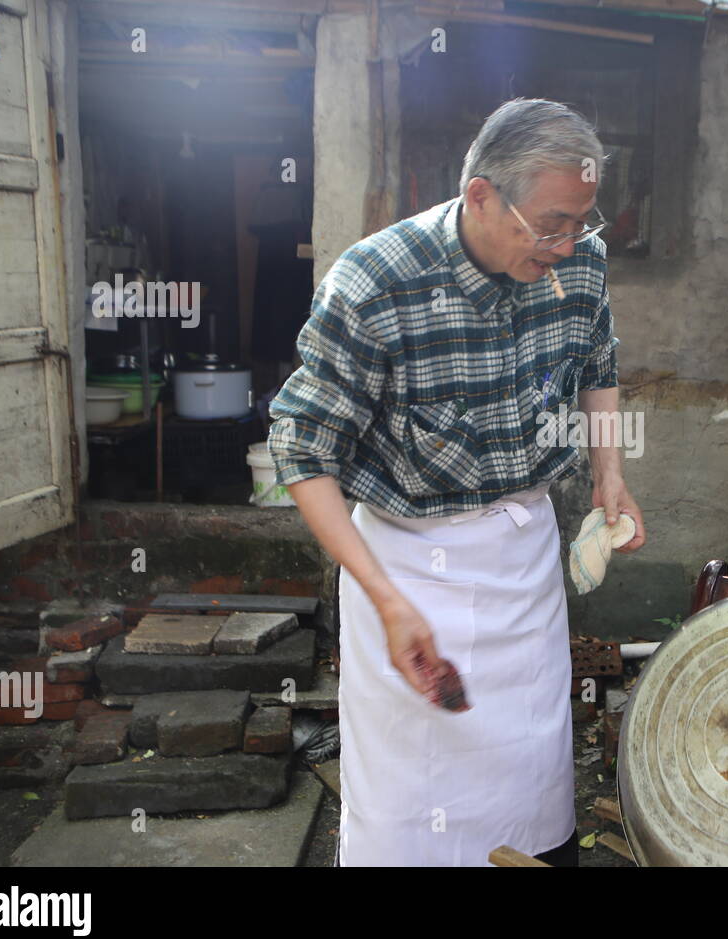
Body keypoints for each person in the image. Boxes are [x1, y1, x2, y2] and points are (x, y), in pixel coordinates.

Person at [267, 98, 646, 866]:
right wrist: (386, 599)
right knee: (410, 816)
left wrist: (611, 475)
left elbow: (597, 364)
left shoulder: (579, 265)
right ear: (480, 196)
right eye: (552, 224)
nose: (569, 245)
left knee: (530, 796)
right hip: (404, 570)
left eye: (584, 222)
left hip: (520, 561)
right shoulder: (376, 282)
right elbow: (302, 453)